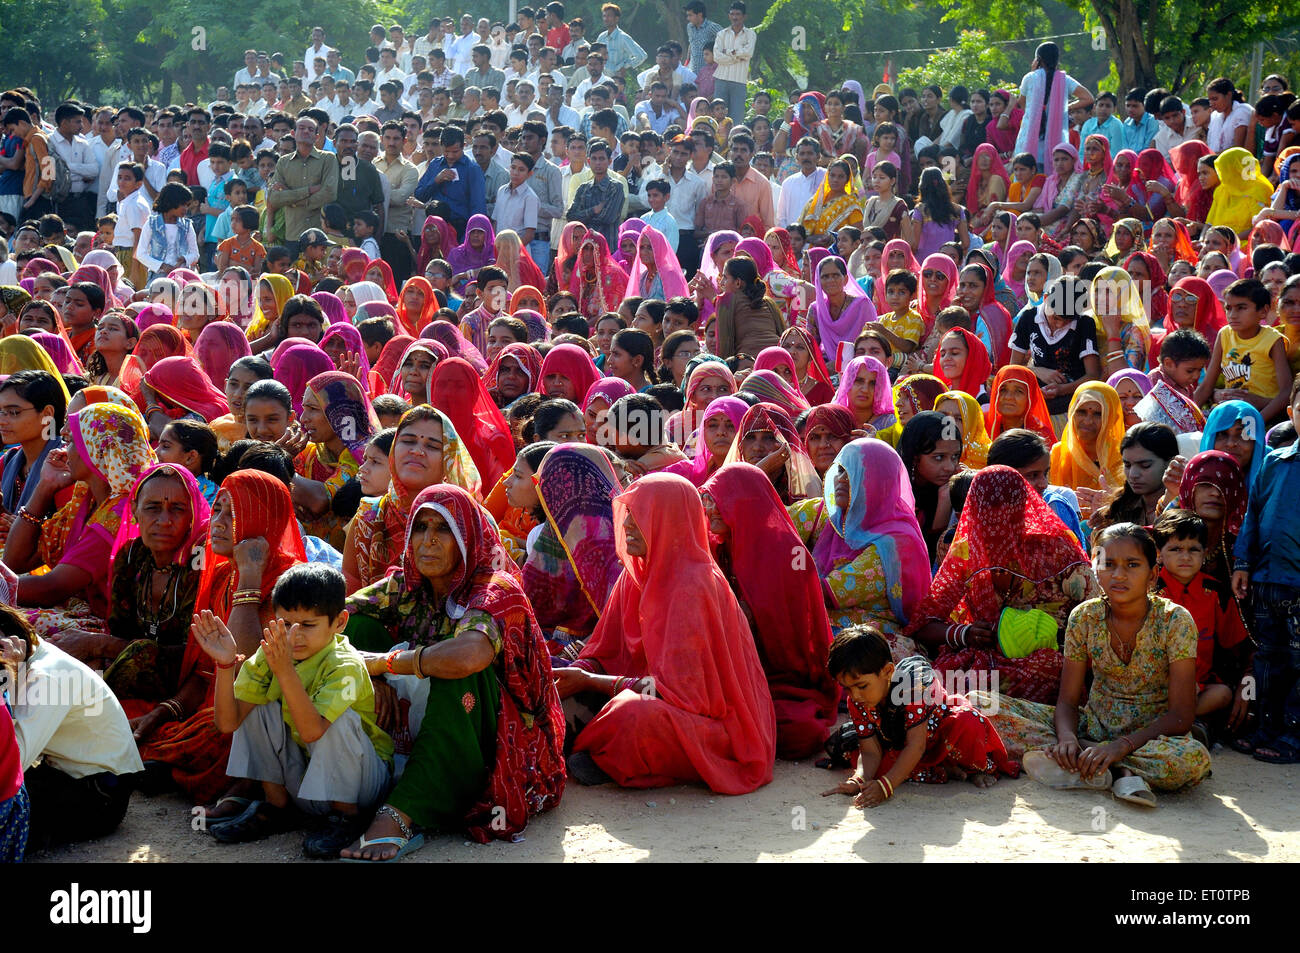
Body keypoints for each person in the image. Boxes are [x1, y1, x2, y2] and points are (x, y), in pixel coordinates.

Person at [341, 485, 564, 857]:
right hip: (422, 714)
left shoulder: (495, 587)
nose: (428, 541)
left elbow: (467, 656)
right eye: (420, 527)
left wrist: (383, 664)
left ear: (468, 536)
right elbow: (331, 620)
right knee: (355, 629)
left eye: (443, 529)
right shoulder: (408, 583)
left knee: (452, 667)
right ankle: (345, 791)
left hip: (496, 740)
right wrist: (371, 677)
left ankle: (402, 813)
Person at [556, 472, 775, 791]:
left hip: (716, 726)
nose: (627, 525)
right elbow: (604, 650)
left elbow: (682, 693)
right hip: (655, 696)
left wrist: (590, 682)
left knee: (632, 714)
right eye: (627, 514)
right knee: (555, 693)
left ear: (669, 519)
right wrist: (576, 674)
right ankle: (603, 751)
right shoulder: (636, 575)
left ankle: (613, 754)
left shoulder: (692, 586)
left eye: (640, 514)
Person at [981, 523, 1211, 806]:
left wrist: (1120, 747)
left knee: (1192, 759)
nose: (1118, 574)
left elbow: (1181, 716)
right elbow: (1067, 701)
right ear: (1095, 569)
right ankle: (1103, 765)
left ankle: (1095, 763)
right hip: (1093, 727)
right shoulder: (1085, 617)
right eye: (1108, 564)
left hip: (1151, 740)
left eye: (1132, 565)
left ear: (1152, 574)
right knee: (980, 705)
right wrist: (1067, 739)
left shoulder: (1175, 620)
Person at [190, 563, 392, 856]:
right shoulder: (271, 653)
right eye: (285, 624)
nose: (294, 636)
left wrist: (284, 671)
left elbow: (313, 731)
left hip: (362, 788)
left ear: (339, 622)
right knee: (257, 706)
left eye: (308, 625)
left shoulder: (345, 665)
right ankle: (276, 806)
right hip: (310, 784)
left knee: (340, 719)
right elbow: (228, 723)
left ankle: (346, 818)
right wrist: (225, 664)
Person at [905, 465, 1097, 703]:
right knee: (911, 673)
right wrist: (966, 633)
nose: (999, 526)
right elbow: (924, 624)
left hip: (1045, 658)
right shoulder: (967, 552)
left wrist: (1052, 638)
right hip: (983, 656)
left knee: (1042, 671)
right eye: (988, 517)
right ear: (973, 512)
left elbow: (1095, 614)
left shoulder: (1056, 548)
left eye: (1009, 515)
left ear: (1024, 509)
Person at [702, 461, 837, 757]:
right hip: (726, 669)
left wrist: (745, 618)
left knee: (801, 731)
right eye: (708, 500)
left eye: (717, 501)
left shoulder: (786, 555)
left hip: (779, 676)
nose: (709, 509)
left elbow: (795, 643)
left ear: (744, 506)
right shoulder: (714, 548)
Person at [2, 603, 144, 851]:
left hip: (98, 796)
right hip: (69, 776)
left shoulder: (44, 676)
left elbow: (12, 763)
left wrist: (10, 676)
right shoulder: (35, 654)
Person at [821, 628, 1018, 805]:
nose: (854, 695)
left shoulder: (912, 689)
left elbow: (917, 745)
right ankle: (944, 769)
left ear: (888, 671)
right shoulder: (858, 701)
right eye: (846, 688)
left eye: (861, 686)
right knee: (862, 758)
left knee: (968, 724)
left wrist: (886, 786)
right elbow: (870, 750)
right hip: (902, 744)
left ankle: (972, 769)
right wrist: (859, 781)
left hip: (940, 735)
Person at [788, 438, 931, 658]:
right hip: (823, 625)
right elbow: (774, 524)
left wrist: (785, 570)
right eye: (840, 471)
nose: (841, 480)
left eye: (853, 473)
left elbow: (826, 593)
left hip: (872, 639)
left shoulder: (895, 542)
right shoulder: (829, 515)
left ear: (878, 481)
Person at [1232, 378, 1300, 763]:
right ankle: (1266, 727)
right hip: (1267, 581)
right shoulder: (1274, 461)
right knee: (1267, 660)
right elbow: (1253, 517)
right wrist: (1243, 563)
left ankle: (1294, 734)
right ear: (1291, 413)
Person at [343, 405, 481, 594]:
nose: (417, 451)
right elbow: (351, 586)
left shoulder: (470, 519)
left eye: (432, 446)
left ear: (448, 460)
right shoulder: (369, 516)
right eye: (408, 441)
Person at [1151, 509, 1252, 748]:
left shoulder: (1216, 592)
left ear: (1205, 553)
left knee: (1223, 694)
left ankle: (1182, 723)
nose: (1185, 557)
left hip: (1201, 687)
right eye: (1175, 549)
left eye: (1193, 549)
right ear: (1159, 554)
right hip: (1156, 686)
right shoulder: (1149, 590)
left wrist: (1249, 687)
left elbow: (1238, 644)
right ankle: (1184, 725)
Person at [522, 443, 622, 656]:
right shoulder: (550, 536)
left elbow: (621, 621)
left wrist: (575, 654)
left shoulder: (620, 540)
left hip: (603, 656)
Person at [1050, 381, 1124, 492]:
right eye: (1081, 412)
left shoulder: (1122, 458)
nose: (1088, 421)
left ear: (1112, 419)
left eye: (1098, 414)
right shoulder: (1058, 454)